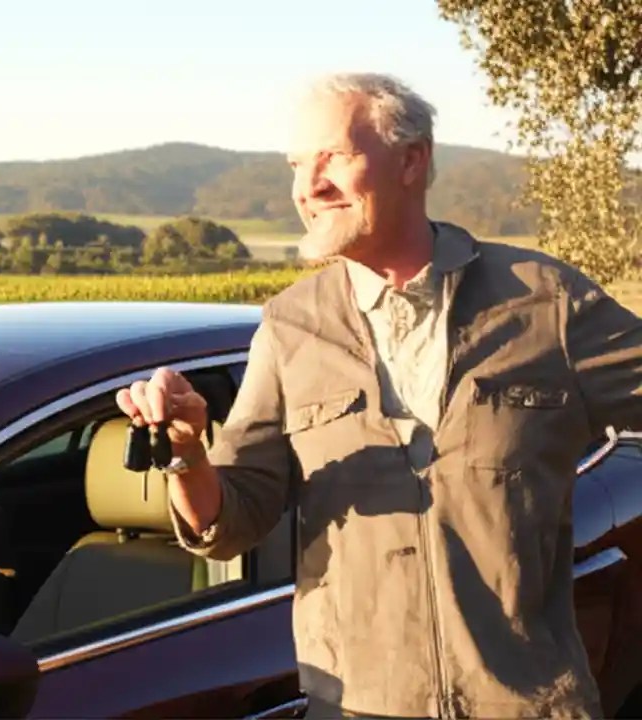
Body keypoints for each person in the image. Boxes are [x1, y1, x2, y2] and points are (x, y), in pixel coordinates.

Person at [117, 72, 642, 719]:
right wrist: (187, 455)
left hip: (528, 706)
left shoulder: (544, 301)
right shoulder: (290, 327)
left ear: (412, 160)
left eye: (332, 157)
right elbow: (232, 522)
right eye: (296, 166)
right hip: (360, 707)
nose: (307, 188)